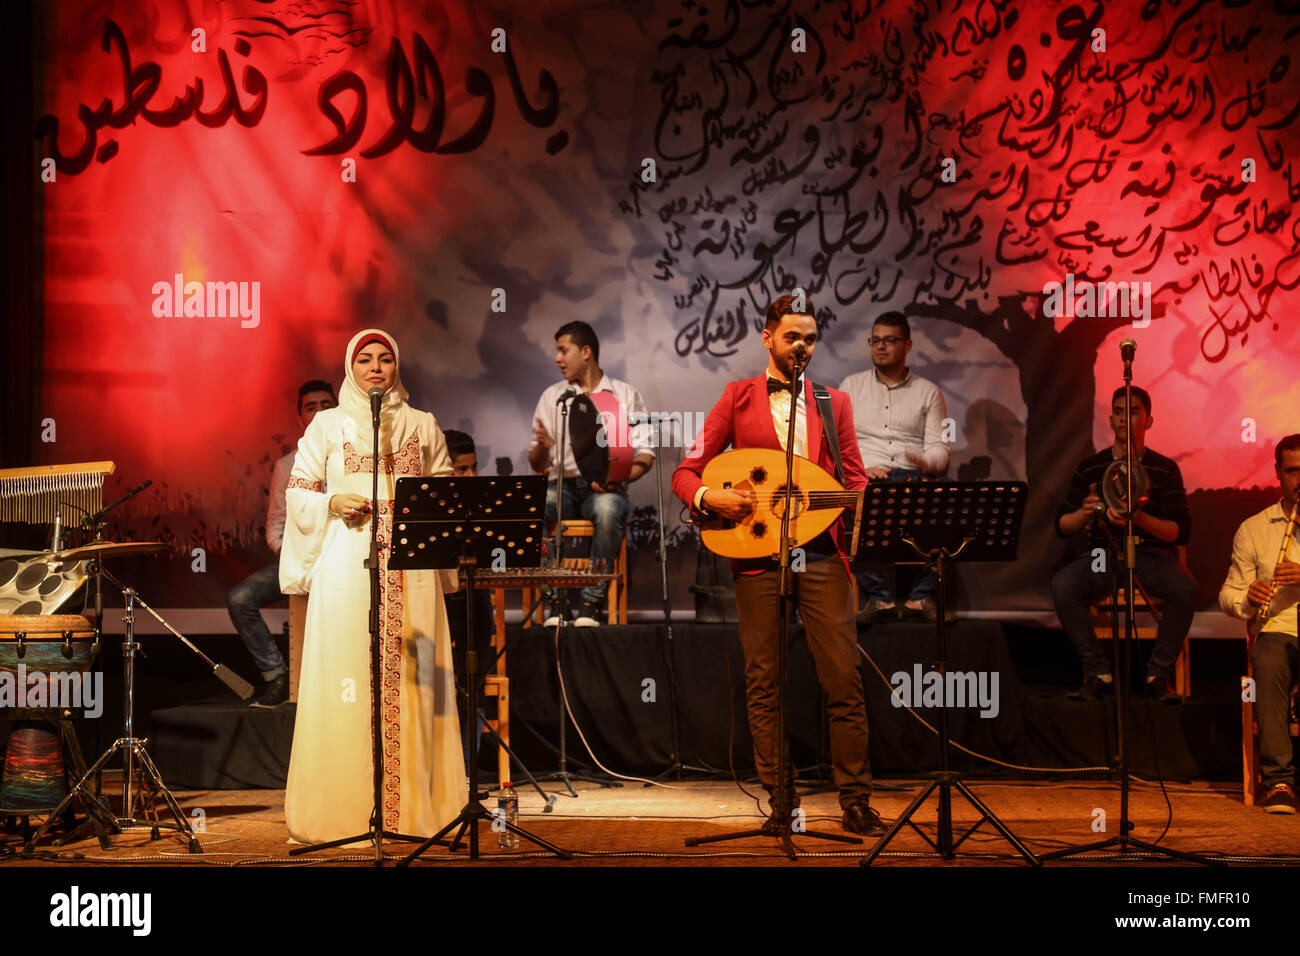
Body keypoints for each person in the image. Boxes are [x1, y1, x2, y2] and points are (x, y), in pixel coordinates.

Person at [671, 293, 884, 835]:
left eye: (810, 339)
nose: (801, 347)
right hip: (757, 553)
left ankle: (855, 799)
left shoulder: (834, 403)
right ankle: (782, 799)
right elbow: (687, 471)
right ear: (767, 338)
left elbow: (853, 479)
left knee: (843, 676)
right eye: (792, 337)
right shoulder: (736, 397)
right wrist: (708, 499)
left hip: (819, 553)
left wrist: (861, 518)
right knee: (764, 678)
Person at [279, 329, 465, 844]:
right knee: (346, 682)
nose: (376, 368)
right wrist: (331, 503)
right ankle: (343, 814)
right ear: (351, 366)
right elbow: (299, 488)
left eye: (385, 359)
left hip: (414, 572)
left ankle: (419, 814)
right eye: (366, 359)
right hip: (346, 566)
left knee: (416, 679)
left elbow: (445, 492)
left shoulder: (422, 425)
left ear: (397, 365)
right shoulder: (326, 425)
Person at [1051, 385, 1194, 703]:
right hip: (1103, 554)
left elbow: (1179, 532)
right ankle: (1098, 672)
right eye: (1117, 411)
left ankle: (1158, 675)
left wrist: (1139, 519)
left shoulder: (1164, 469)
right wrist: (1084, 513)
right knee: (1064, 586)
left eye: (1132, 411)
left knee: (1184, 589)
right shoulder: (1091, 467)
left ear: (1149, 420)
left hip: (1149, 553)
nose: (1123, 418)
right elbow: (1062, 525)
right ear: (1110, 419)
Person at [527, 320, 654, 626]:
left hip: (606, 487)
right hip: (562, 485)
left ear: (586, 352)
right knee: (531, 514)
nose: (557, 358)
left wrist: (619, 478)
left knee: (609, 510)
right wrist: (542, 448)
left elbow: (646, 455)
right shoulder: (553, 397)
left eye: (563, 350)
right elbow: (537, 463)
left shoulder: (625, 395)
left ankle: (590, 603)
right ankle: (555, 602)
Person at [226, 380, 336, 708]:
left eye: (326, 405)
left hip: (344, 562)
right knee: (240, 598)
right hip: (300, 562)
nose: (319, 412)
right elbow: (276, 525)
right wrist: (292, 558)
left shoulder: (354, 457)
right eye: (311, 407)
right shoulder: (287, 465)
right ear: (300, 418)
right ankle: (276, 677)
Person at [838, 313, 950, 624]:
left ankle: (920, 597)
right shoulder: (851, 386)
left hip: (913, 476)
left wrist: (925, 461)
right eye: (876, 340)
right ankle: (879, 600)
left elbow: (940, 449)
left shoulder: (928, 391)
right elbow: (838, 445)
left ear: (907, 344)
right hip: (867, 476)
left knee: (950, 504)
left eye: (889, 340)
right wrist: (860, 468)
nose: (881, 347)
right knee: (848, 498)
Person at [1220, 434, 1300, 813]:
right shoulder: (1253, 529)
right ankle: (1279, 781)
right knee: (1265, 663)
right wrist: (1246, 599)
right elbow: (1228, 594)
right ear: (1278, 475)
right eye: (1293, 470)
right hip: (1279, 629)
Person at [441, 428, 496, 773]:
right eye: (461, 470)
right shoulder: (431, 504)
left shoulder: (486, 502)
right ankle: (443, 772)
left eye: (473, 467)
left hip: (474, 602)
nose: (471, 476)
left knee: (472, 683)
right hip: (441, 605)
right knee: (439, 686)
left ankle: (466, 771)